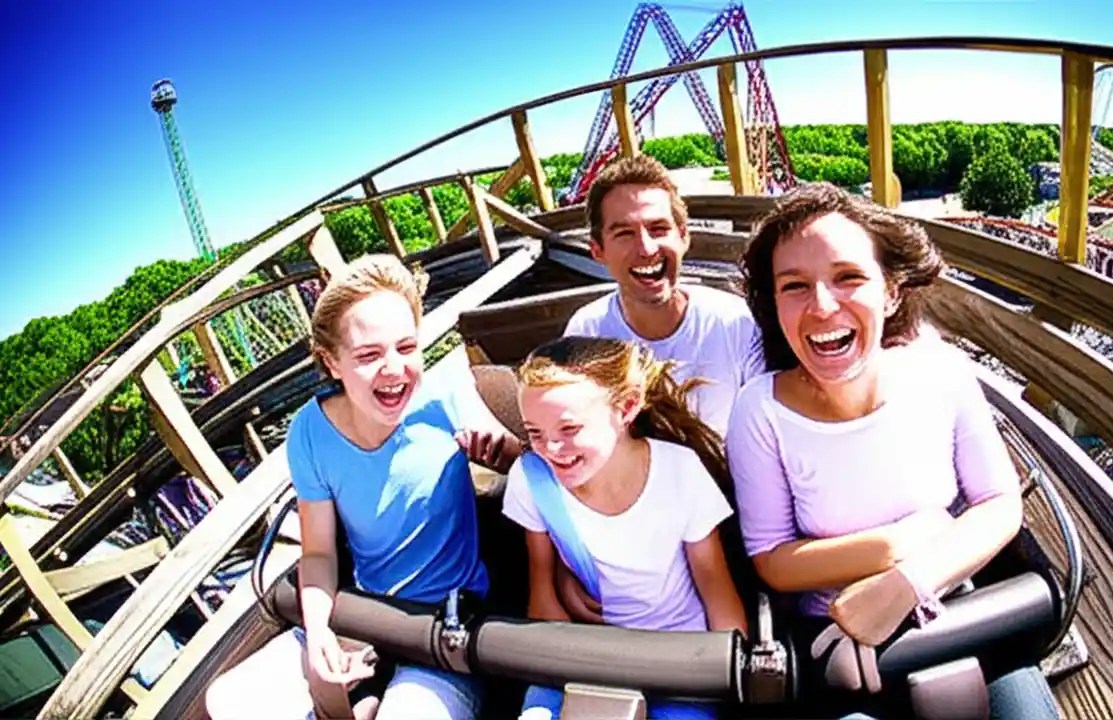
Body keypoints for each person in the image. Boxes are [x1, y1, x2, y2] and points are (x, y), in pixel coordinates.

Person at [724, 183, 1059, 719]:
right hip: (833, 636)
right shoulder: (760, 413)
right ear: (774, 304)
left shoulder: (942, 372)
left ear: (891, 291)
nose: (823, 306)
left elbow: (998, 501)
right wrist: (897, 543)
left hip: (958, 610)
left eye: (848, 277)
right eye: (795, 287)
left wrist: (906, 582)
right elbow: (771, 559)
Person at [204, 254, 522, 720]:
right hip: (364, 613)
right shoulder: (310, 432)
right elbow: (317, 555)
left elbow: (548, 470)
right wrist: (319, 638)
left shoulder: (448, 398)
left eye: (406, 348)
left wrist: (509, 456)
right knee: (230, 702)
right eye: (370, 356)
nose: (394, 370)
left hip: (446, 625)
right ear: (331, 363)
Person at [501, 335, 748, 719]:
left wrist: (734, 675)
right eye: (535, 434)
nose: (551, 448)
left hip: (678, 659)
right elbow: (544, 599)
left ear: (626, 408)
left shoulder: (679, 471)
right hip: (587, 655)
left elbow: (716, 587)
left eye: (569, 429)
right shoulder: (532, 480)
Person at [564, 154, 764, 438]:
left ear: (683, 236)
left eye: (658, 229)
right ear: (597, 250)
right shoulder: (586, 333)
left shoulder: (737, 325)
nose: (646, 248)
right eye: (624, 233)